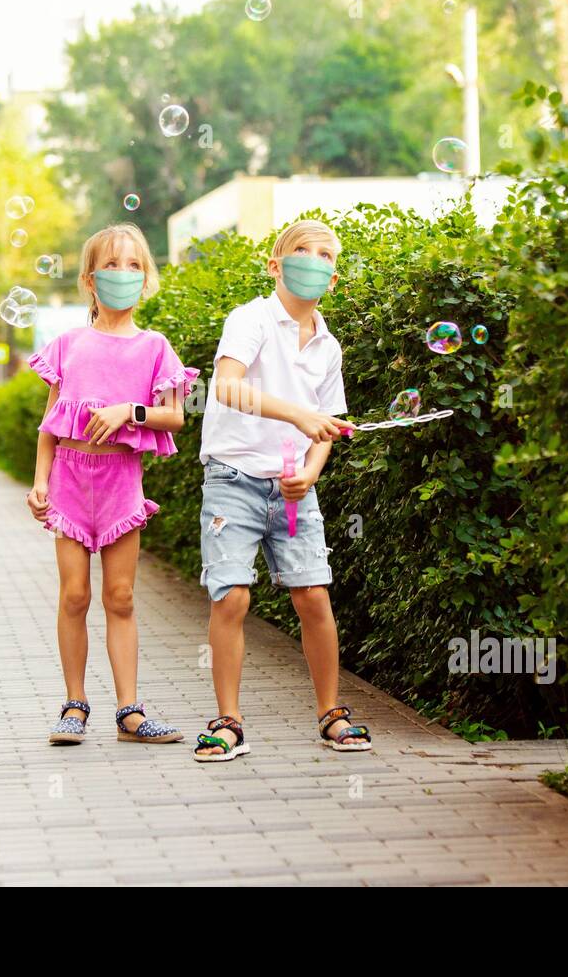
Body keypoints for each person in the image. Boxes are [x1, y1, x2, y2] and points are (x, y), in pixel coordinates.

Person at [193, 219, 371, 762]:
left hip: (292, 491)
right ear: (276, 265)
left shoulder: (328, 345)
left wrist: (312, 471)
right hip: (233, 482)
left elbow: (331, 426)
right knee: (232, 594)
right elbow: (225, 385)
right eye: (302, 251)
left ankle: (331, 713)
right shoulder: (250, 319)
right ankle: (228, 721)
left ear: (333, 278)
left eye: (324, 256)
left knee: (313, 595)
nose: (313, 261)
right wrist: (297, 413)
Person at [26, 223, 197, 746]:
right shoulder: (68, 345)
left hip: (122, 480)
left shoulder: (154, 348)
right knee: (74, 595)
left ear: (146, 278)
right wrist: (40, 484)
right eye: (112, 265)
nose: (123, 274)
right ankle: (74, 707)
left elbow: (175, 417)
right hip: (71, 480)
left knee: (120, 597)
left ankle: (130, 712)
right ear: (89, 279)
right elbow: (51, 421)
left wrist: (131, 410)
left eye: (134, 265)